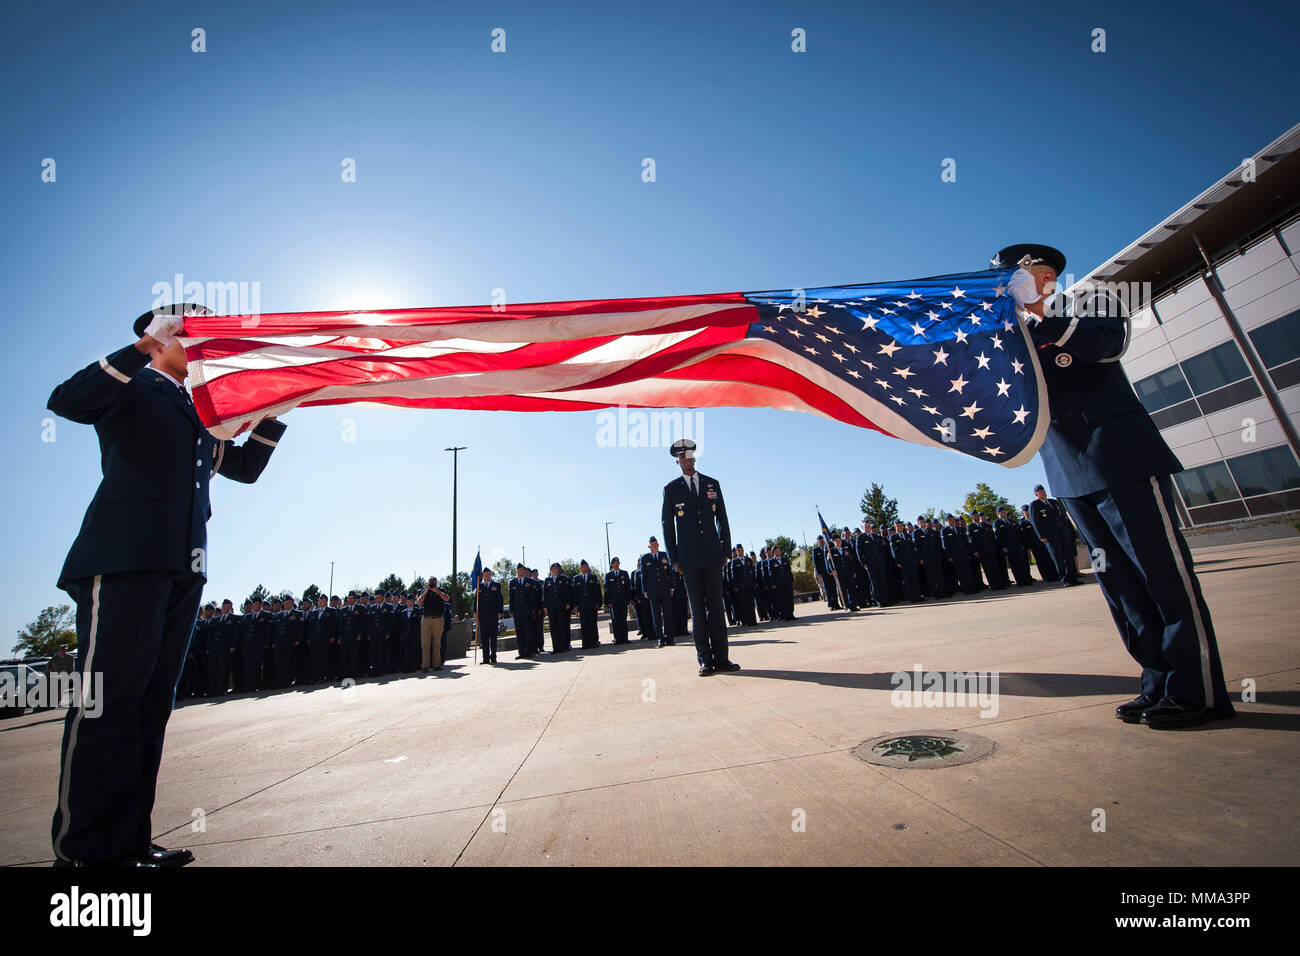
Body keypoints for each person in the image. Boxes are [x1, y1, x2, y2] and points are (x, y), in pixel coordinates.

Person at [46, 303, 286, 867]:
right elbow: (67, 401)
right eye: (189, 329)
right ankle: (82, 851)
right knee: (105, 702)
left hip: (183, 566)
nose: (202, 339)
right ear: (159, 337)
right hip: (124, 558)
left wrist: (277, 410)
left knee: (150, 707)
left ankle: (128, 843)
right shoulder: (132, 384)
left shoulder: (198, 412)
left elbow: (244, 470)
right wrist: (143, 349)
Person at [994, 242, 1232, 727]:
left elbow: (1106, 344)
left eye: (1022, 276)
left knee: (1162, 575)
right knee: (1120, 585)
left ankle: (1197, 691)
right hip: (1066, 469)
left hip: (1120, 455)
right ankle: (1158, 681)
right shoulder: (1009, 336)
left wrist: (1039, 314)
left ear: (1046, 276)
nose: (1013, 286)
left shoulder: (1087, 303)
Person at [660, 439, 736, 677]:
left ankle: (722, 658)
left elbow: (722, 519)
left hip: (713, 556)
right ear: (677, 462)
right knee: (698, 611)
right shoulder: (671, 489)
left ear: (694, 458)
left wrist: (726, 551)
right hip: (689, 560)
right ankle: (705, 660)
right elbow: (667, 527)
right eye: (683, 458)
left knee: (716, 608)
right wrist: (674, 559)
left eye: (690, 457)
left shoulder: (712, 484)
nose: (688, 461)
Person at [1029, 485, 1081, 586]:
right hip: (1050, 537)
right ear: (1036, 494)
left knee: (1069, 557)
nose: (1043, 493)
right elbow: (1036, 522)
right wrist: (1041, 536)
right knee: (1059, 558)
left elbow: (1062, 517)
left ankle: (1073, 578)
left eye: (1043, 491)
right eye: (1040, 492)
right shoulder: (1035, 505)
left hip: (1062, 534)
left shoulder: (1053, 502)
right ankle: (1065, 580)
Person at [638, 537, 675, 647]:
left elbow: (670, 573)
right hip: (652, 591)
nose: (654, 545)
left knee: (667, 615)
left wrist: (672, 587)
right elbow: (643, 576)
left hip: (665, 589)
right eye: (652, 544)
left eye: (655, 543)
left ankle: (669, 638)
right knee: (656, 616)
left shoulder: (664, 555)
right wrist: (645, 590)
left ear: (658, 545)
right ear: (649, 546)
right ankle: (660, 638)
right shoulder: (645, 558)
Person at [417, 576, 449, 671]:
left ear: (437, 582)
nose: (432, 584)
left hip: (438, 619)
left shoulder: (440, 590)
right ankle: (425, 666)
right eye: (431, 582)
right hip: (426, 619)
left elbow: (446, 598)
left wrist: (437, 591)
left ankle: (436, 664)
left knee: (437, 643)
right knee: (425, 644)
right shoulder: (425, 591)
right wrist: (426, 591)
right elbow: (418, 603)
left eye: (434, 582)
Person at [571, 560, 603, 649]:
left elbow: (597, 591)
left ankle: (594, 642)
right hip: (582, 605)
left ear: (588, 567)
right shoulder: (576, 578)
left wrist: (598, 603)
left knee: (592, 623)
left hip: (592, 605)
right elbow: (574, 593)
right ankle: (585, 643)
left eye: (586, 566)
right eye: (583, 566)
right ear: (580, 568)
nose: (584, 568)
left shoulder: (593, 577)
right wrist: (575, 604)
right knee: (584, 624)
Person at [476, 569, 505, 664]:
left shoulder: (496, 585)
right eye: (485, 574)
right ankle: (485, 658)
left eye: (488, 574)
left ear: (491, 575)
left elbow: (500, 599)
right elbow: (475, 600)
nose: (486, 576)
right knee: (484, 637)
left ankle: (493, 657)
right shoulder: (479, 586)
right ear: (483, 575)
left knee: (493, 637)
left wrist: (500, 611)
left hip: (493, 615)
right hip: (483, 615)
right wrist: (474, 612)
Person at [543, 563, 573, 653]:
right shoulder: (547, 580)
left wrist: (568, 602)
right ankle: (556, 647)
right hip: (551, 607)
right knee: (553, 628)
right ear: (550, 570)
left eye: (556, 569)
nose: (554, 570)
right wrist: (545, 605)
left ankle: (563, 646)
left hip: (561, 606)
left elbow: (567, 591)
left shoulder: (563, 578)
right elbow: (545, 594)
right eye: (553, 569)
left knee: (562, 626)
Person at [510, 564, 538, 658]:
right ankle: (521, 652)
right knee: (519, 632)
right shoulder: (512, 582)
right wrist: (511, 610)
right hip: (517, 611)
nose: (521, 571)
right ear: (517, 571)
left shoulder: (530, 581)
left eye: (522, 570)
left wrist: (533, 609)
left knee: (528, 632)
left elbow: (533, 596)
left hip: (527, 611)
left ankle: (529, 652)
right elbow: (511, 598)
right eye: (519, 570)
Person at [604, 558, 632, 645]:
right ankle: (617, 638)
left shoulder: (624, 573)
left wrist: (628, 600)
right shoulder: (608, 575)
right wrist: (608, 602)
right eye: (615, 563)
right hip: (614, 602)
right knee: (615, 621)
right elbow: (606, 590)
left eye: (618, 563)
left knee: (623, 620)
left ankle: (625, 638)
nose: (616, 564)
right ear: (612, 564)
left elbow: (628, 588)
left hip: (623, 601)